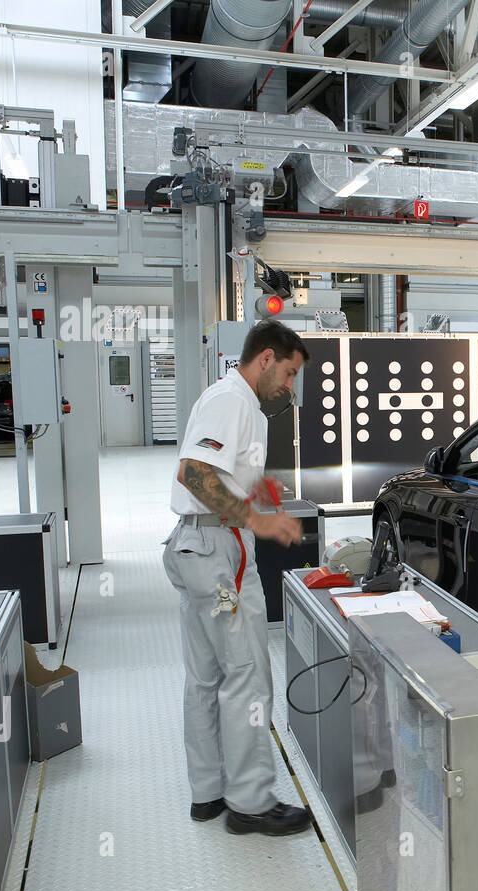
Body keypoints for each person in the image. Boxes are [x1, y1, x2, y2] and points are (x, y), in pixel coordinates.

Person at [163, 319, 312, 836]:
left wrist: (271, 501)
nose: (290, 386)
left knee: (206, 676)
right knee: (247, 674)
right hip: (215, 551)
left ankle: (208, 793)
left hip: (197, 545)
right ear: (266, 358)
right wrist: (256, 521)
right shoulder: (230, 399)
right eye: (290, 373)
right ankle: (250, 803)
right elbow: (195, 474)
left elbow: (229, 477)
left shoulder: (244, 408)